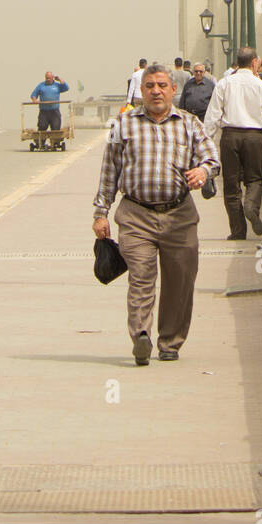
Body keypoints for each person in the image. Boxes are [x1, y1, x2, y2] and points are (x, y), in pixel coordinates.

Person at [93, 62, 220, 365]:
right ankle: (141, 337)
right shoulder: (123, 125)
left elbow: (211, 158)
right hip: (136, 215)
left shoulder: (189, 124)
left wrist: (202, 171)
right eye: (150, 86)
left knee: (180, 280)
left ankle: (170, 342)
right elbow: (109, 170)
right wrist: (101, 213)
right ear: (141, 91)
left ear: (173, 90)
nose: (156, 91)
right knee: (141, 276)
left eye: (162, 86)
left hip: (179, 216)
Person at [203, 47, 262, 241]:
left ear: (237, 62)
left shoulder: (224, 84)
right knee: (254, 179)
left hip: (230, 137)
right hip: (254, 137)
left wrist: (206, 144)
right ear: (254, 62)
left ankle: (238, 230)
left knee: (231, 185)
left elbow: (212, 117)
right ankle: (251, 207)